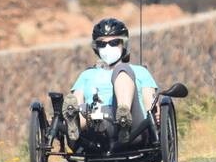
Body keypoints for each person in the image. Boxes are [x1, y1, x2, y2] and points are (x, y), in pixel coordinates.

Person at [63, 18, 158, 146]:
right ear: (96, 48)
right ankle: (74, 123)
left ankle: (123, 117)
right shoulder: (87, 75)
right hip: (93, 126)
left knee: (122, 70)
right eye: (102, 44)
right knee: (80, 108)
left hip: (133, 129)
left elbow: (150, 107)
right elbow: (77, 100)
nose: (108, 47)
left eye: (114, 42)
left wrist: (157, 116)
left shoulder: (139, 72)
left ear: (123, 44)